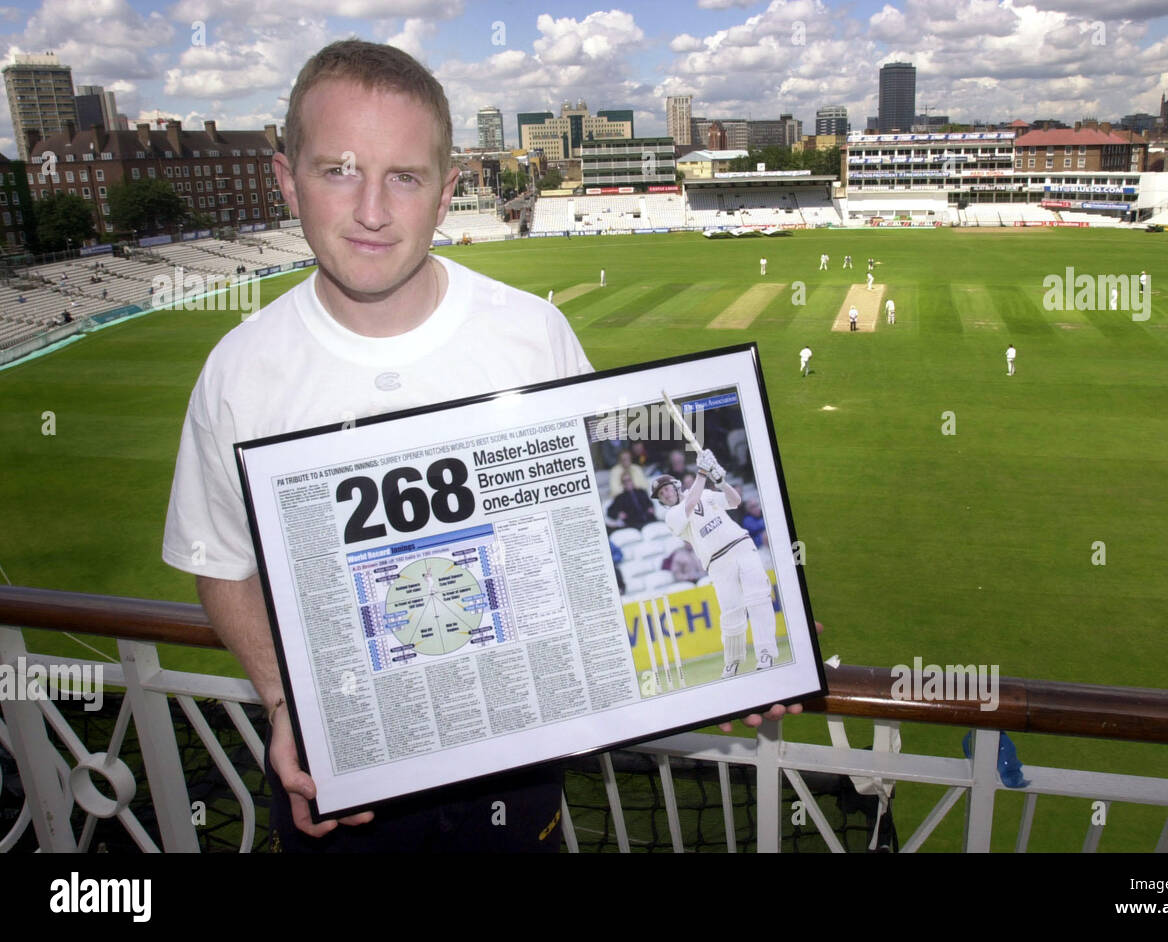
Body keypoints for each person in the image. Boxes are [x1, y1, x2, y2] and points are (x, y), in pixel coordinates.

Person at [161, 40, 598, 853]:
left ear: (446, 192)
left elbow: (598, 532)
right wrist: (286, 702)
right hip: (337, 788)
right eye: (339, 170)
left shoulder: (535, 337)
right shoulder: (238, 371)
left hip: (512, 776)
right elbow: (220, 563)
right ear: (287, 178)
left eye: (404, 177)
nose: (371, 210)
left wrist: (739, 645)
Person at [651, 466, 778, 677]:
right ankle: (732, 662)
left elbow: (735, 501)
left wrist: (721, 483)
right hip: (717, 562)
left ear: (676, 485)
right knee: (731, 613)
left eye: (666, 489)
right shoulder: (672, 516)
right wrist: (702, 473)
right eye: (661, 494)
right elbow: (690, 504)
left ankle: (766, 654)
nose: (665, 494)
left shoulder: (706, 493)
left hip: (741, 546)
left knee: (758, 599)